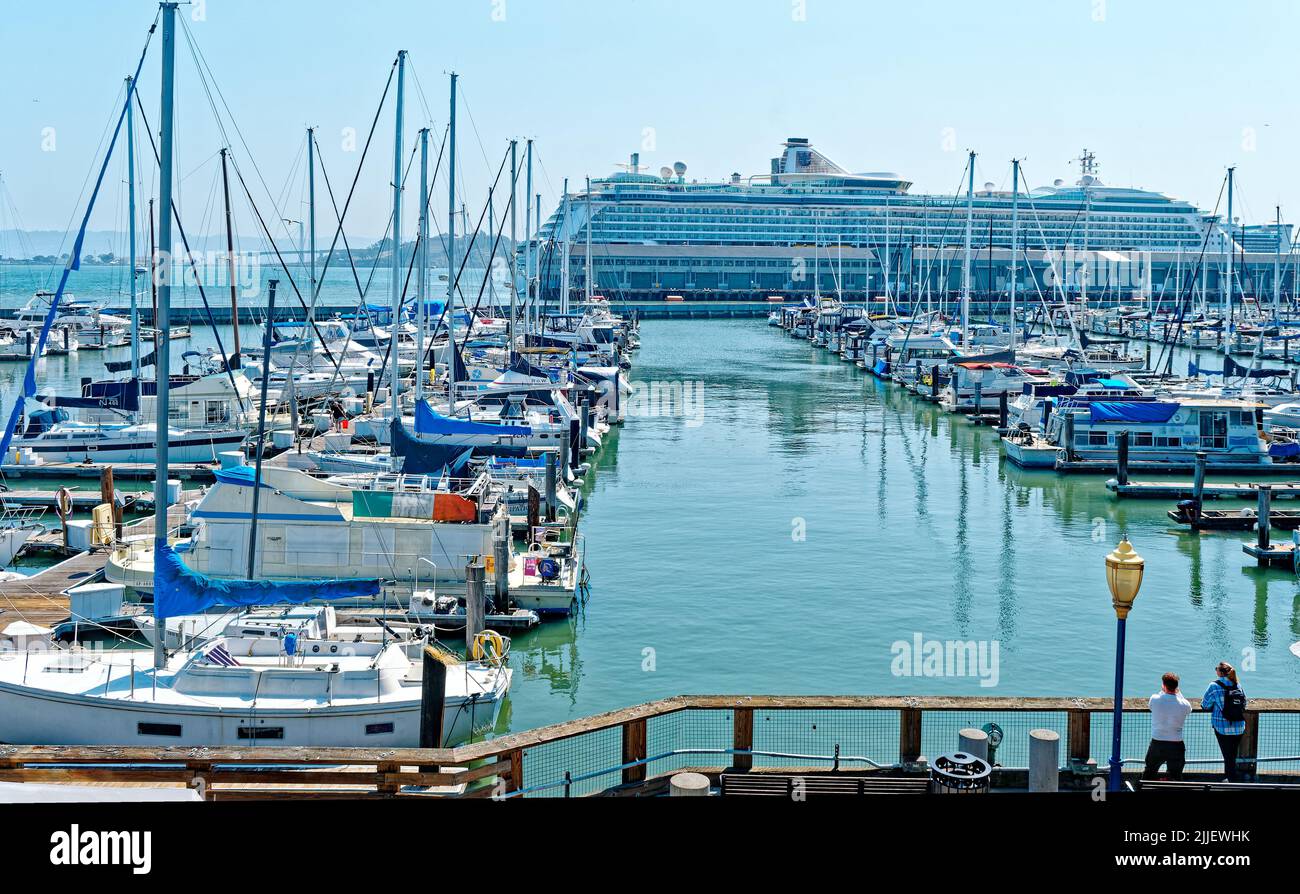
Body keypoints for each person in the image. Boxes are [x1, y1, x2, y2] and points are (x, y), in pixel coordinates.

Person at [1202, 661, 1247, 782]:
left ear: (1220, 672)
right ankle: (1231, 778)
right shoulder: (1237, 685)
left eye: (1216, 668)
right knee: (1231, 755)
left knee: (1228, 756)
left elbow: (1205, 705)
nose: (1215, 669)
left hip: (1222, 727)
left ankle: (1231, 781)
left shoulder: (1214, 686)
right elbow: (1244, 704)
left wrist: (1216, 705)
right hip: (1239, 727)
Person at [1144, 672, 1192, 781]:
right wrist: (1178, 694)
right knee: (1176, 775)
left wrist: (1163, 690)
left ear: (1163, 685)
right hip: (1176, 744)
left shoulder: (1155, 699)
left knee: (1150, 771)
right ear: (1177, 687)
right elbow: (1188, 709)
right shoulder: (1184, 704)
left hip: (1158, 743)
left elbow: (1152, 705)